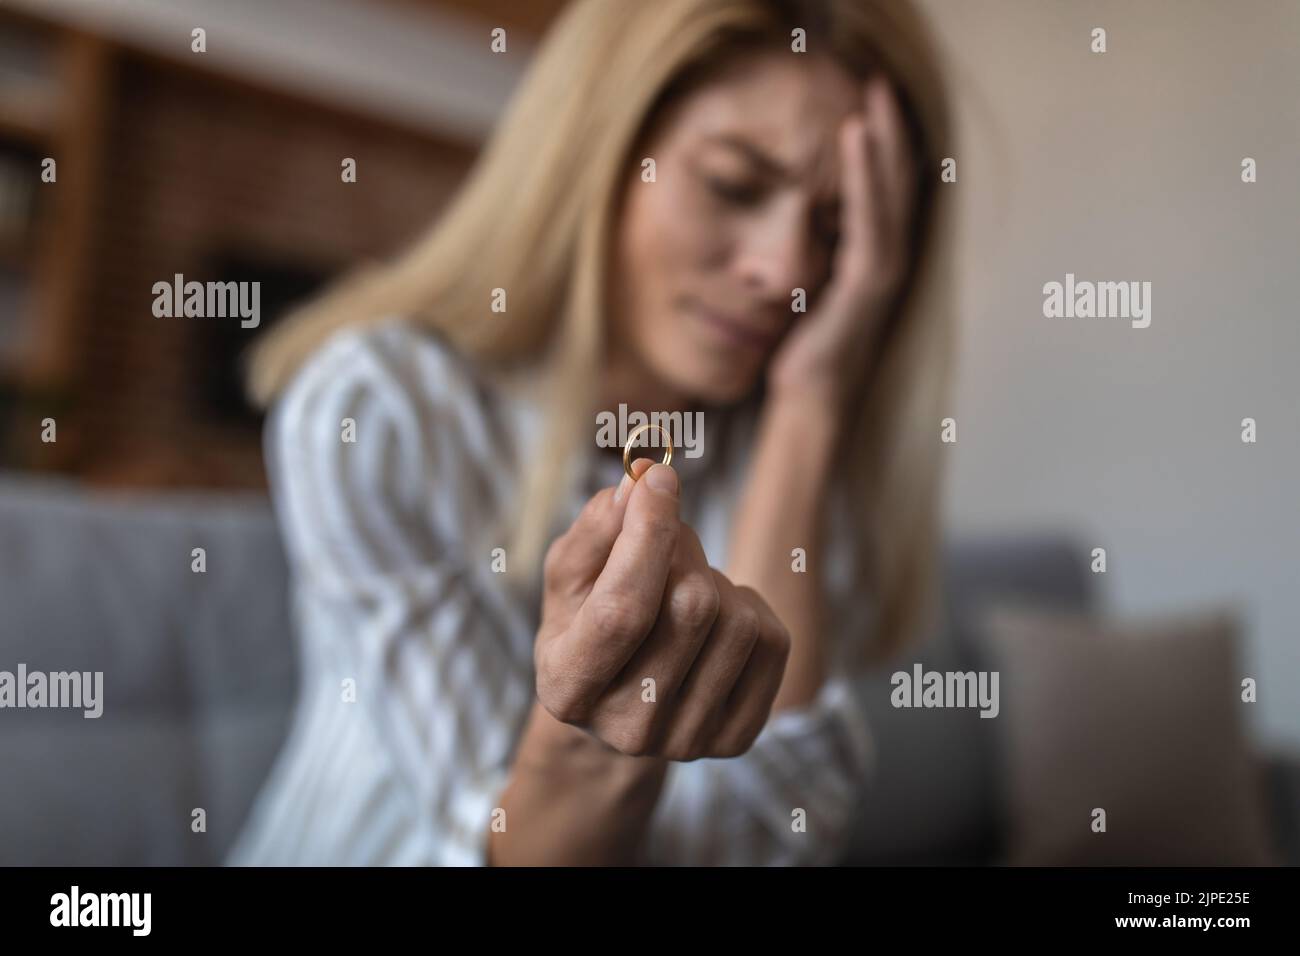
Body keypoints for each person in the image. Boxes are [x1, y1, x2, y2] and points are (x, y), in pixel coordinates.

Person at [228, 0, 955, 866]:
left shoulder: (791, 454)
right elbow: (523, 851)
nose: (786, 272)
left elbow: (775, 843)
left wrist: (811, 402)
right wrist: (593, 728)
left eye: (836, 232)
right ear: (596, 154)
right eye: (733, 185)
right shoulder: (377, 412)